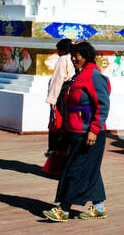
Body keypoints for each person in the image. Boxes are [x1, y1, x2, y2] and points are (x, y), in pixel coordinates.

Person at [44, 40, 110, 222]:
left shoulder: (94, 76)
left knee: (74, 169)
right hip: (75, 131)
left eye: (76, 55)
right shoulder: (79, 75)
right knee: (90, 169)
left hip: (88, 133)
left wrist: (94, 130)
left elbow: (102, 105)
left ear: (86, 56)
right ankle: (98, 207)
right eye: (72, 55)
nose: (73, 59)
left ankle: (63, 209)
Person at [44, 38, 75, 162]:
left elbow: (57, 81)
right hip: (71, 96)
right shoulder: (74, 59)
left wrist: (52, 101)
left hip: (61, 96)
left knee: (58, 126)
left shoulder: (63, 59)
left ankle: (56, 157)